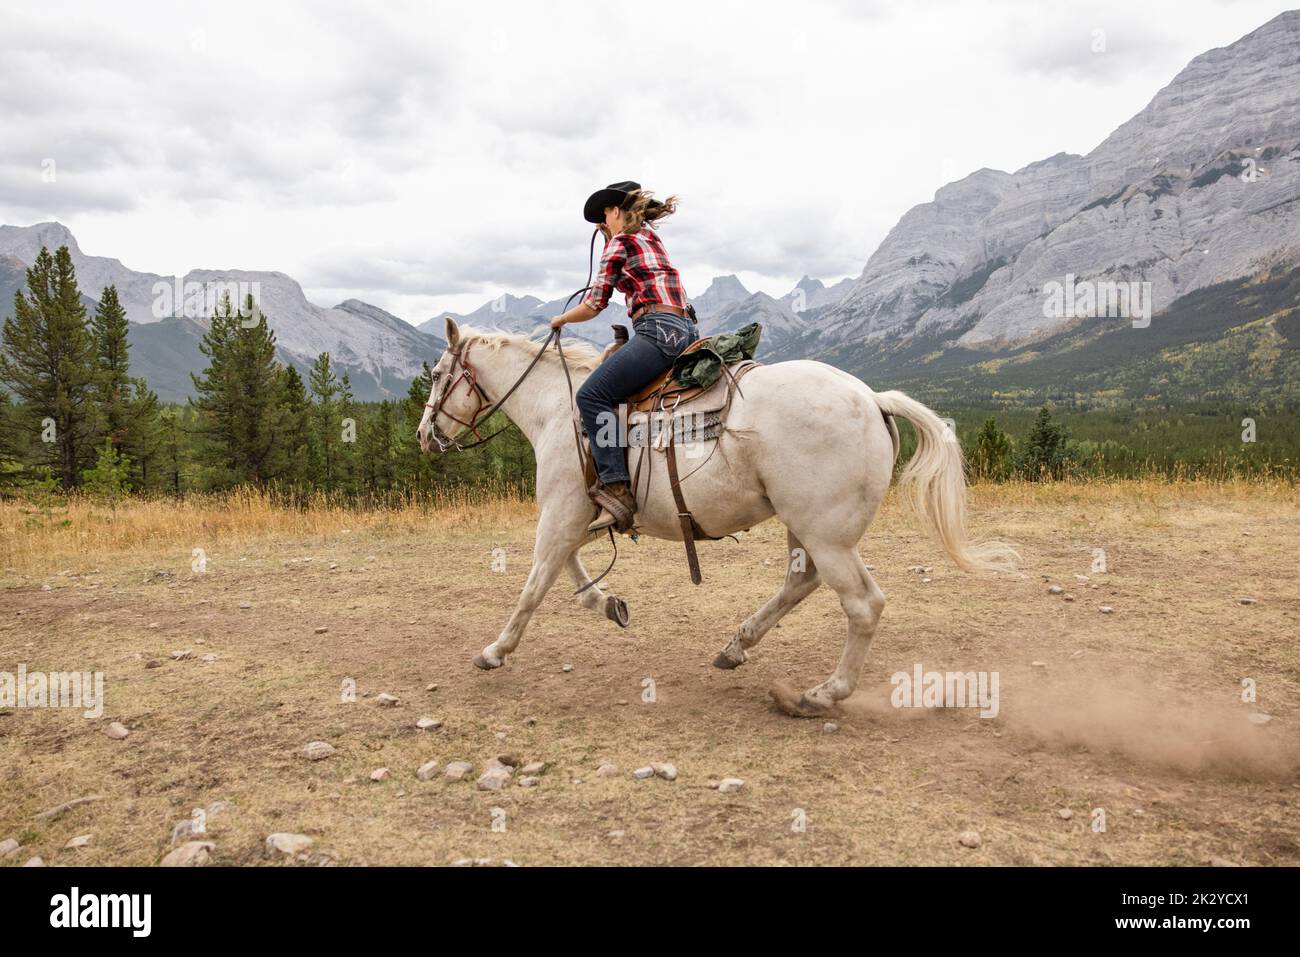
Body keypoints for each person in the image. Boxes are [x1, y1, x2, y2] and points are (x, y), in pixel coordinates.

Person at [549, 180, 698, 532]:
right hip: (687, 330)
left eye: (605, 215)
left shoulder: (618, 244)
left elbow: (594, 304)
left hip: (656, 330)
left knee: (591, 396)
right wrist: (609, 236)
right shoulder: (649, 236)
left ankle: (617, 490)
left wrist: (561, 319)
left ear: (616, 210)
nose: (603, 222)